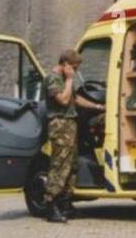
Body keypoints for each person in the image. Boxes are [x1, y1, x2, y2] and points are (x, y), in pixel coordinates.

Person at [42, 49, 99, 223]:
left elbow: (76, 99)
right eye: (74, 67)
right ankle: (51, 205)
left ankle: (65, 204)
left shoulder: (66, 80)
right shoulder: (52, 79)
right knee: (60, 165)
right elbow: (64, 100)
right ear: (65, 64)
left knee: (72, 165)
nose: (76, 71)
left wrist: (98, 107)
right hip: (60, 125)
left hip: (70, 125)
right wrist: (69, 79)